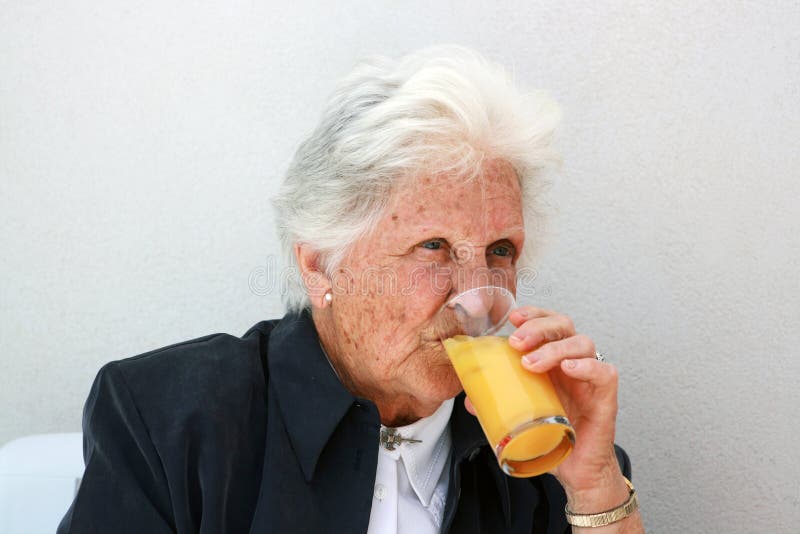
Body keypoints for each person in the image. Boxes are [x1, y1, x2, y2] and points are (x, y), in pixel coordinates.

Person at [58, 46, 644, 533]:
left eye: (499, 252)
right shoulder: (166, 420)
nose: (478, 296)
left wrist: (596, 489)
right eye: (433, 246)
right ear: (320, 267)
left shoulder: (541, 439)